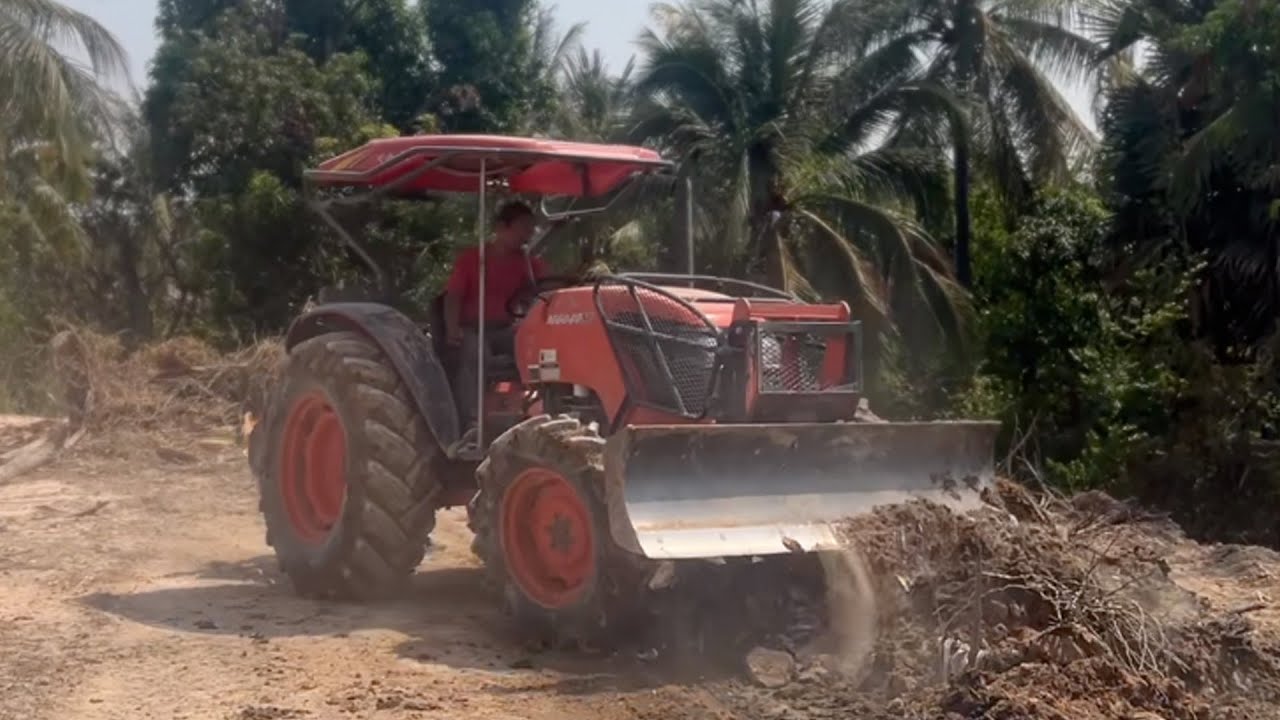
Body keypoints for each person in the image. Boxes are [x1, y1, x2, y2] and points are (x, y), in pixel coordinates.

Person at [442, 201, 547, 447]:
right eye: (522, 228)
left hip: (506, 329)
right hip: (474, 327)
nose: (527, 235)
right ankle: (471, 424)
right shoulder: (472, 260)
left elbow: (547, 286)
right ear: (502, 227)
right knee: (475, 354)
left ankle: (538, 411)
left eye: (530, 230)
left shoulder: (528, 263)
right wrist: (452, 327)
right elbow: (453, 295)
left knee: (541, 353)